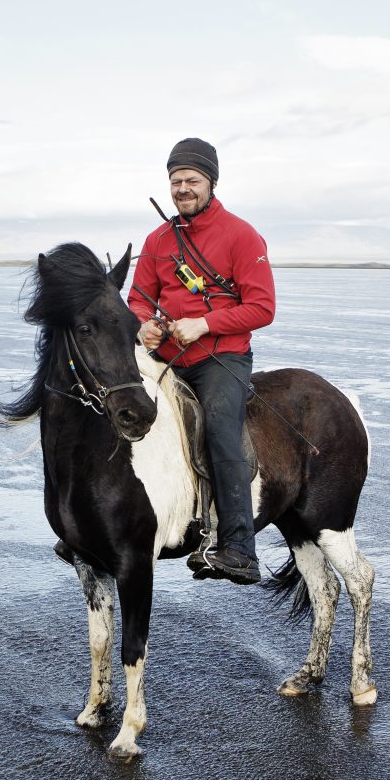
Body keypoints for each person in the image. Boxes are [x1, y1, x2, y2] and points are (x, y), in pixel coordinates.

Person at [128, 137, 275, 585]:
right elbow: (138, 299)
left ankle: (239, 548)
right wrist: (143, 326)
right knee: (115, 410)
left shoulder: (242, 235)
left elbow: (262, 307)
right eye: (176, 181)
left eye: (192, 180)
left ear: (211, 182)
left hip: (221, 359)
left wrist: (205, 323)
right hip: (164, 358)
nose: (183, 188)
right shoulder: (157, 239)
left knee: (219, 429)